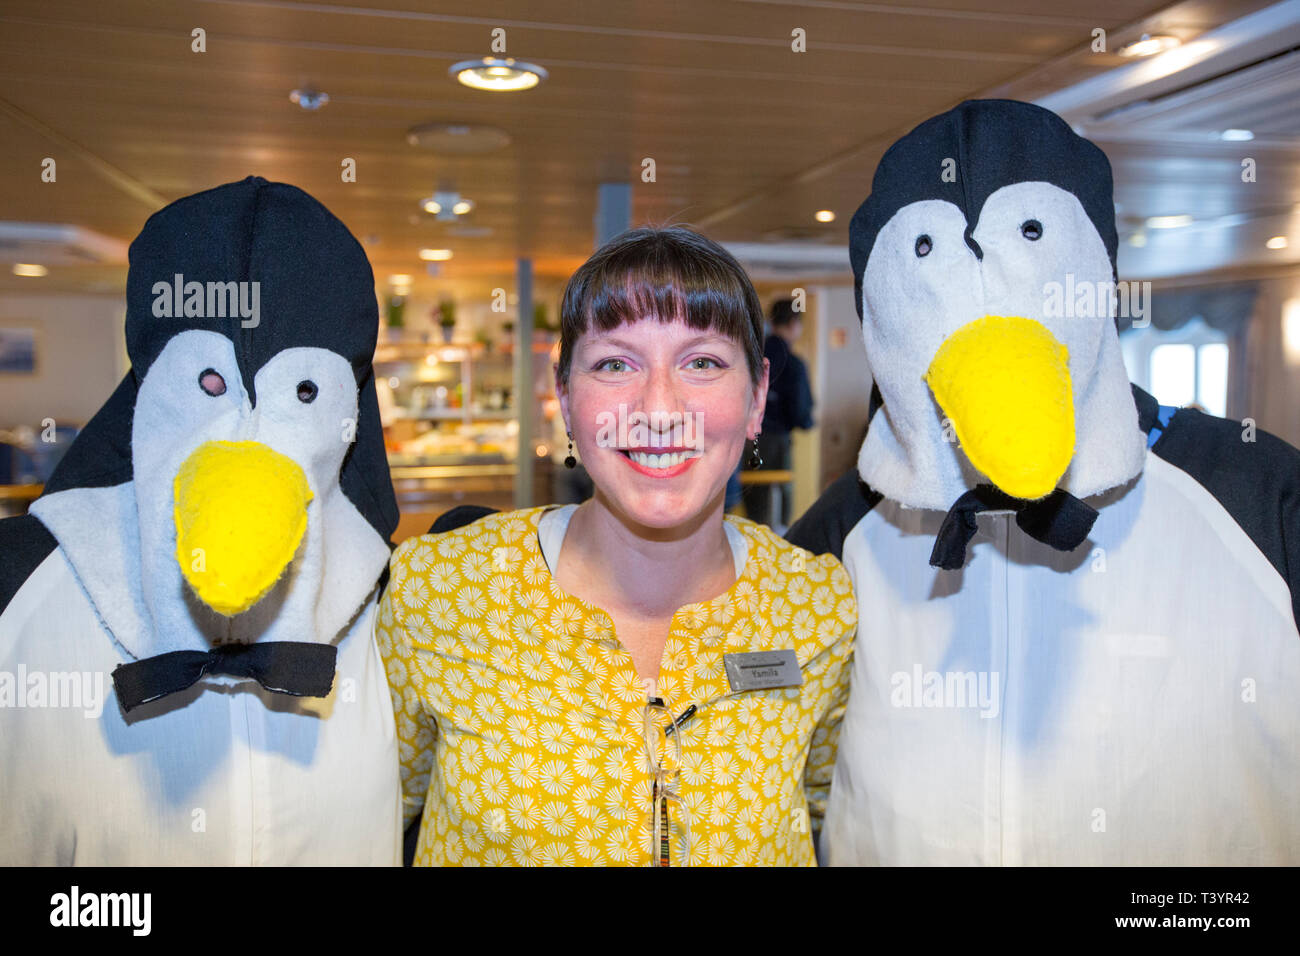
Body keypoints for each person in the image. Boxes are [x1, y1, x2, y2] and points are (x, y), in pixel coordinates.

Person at [376, 226, 856, 866]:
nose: (659, 409)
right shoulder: (438, 592)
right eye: (614, 364)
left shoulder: (820, 606)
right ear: (567, 398)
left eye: (703, 362)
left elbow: (835, 814)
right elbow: (366, 821)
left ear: (758, 396)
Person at [743, 299, 814, 528]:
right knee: (779, 514)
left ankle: (751, 553)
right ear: (794, 323)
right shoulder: (793, 363)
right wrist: (806, 421)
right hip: (777, 442)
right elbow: (801, 413)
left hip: (748, 439)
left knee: (755, 509)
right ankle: (776, 556)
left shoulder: (750, 358)